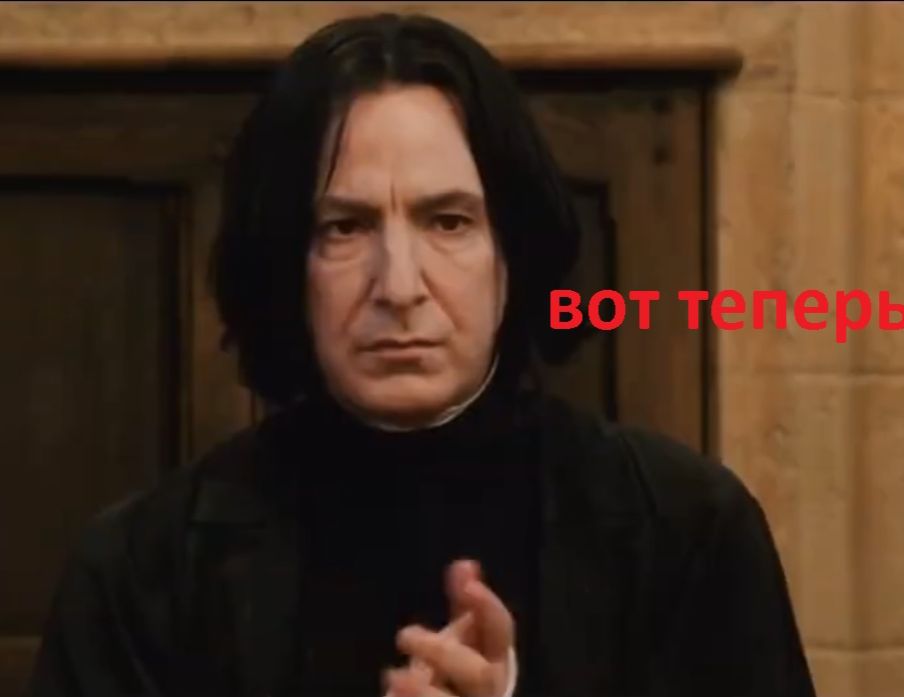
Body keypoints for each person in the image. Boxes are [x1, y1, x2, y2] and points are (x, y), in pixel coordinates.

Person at [24, 12, 815, 697]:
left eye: (448, 222)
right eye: (345, 227)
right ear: (284, 262)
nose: (399, 286)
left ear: (512, 252)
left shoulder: (685, 531)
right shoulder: (142, 573)